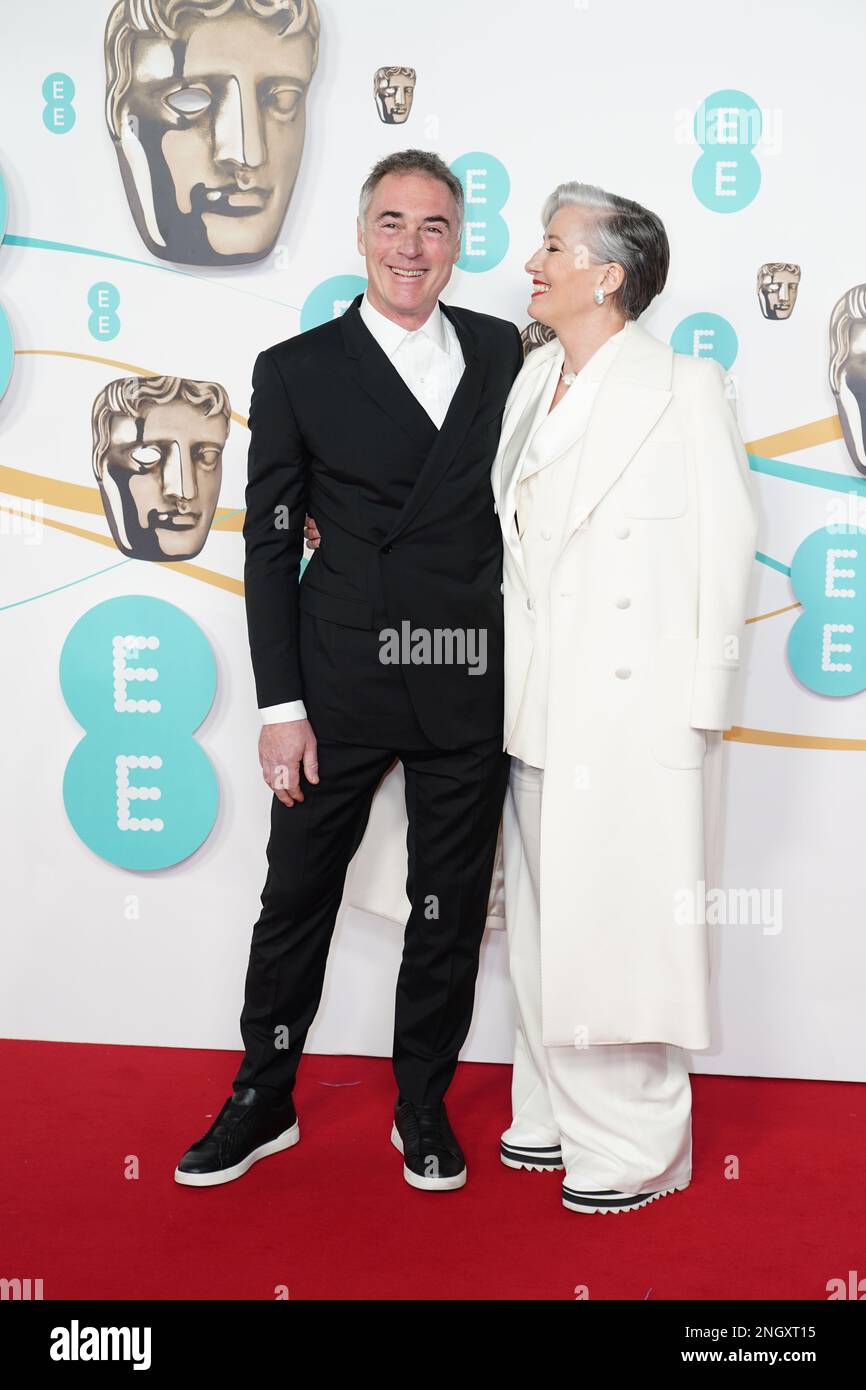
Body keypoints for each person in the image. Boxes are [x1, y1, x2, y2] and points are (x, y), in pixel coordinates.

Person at [174, 149, 523, 1191]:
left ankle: (420, 1102)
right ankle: (260, 1095)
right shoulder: (296, 369)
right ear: (361, 234)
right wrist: (280, 706)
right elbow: (268, 543)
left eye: (432, 227)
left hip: (465, 672)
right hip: (339, 677)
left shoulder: (509, 352)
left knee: (446, 908)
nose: (409, 246)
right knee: (295, 899)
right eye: (390, 222)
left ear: (458, 243)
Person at [492, 181, 759, 1213]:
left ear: (606, 274)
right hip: (535, 707)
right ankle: (550, 1107)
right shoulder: (528, 382)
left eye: (552, 247)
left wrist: (703, 696)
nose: (533, 262)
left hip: (637, 706)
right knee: (549, 917)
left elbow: (728, 538)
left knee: (621, 924)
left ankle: (639, 1143)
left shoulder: (683, 383)